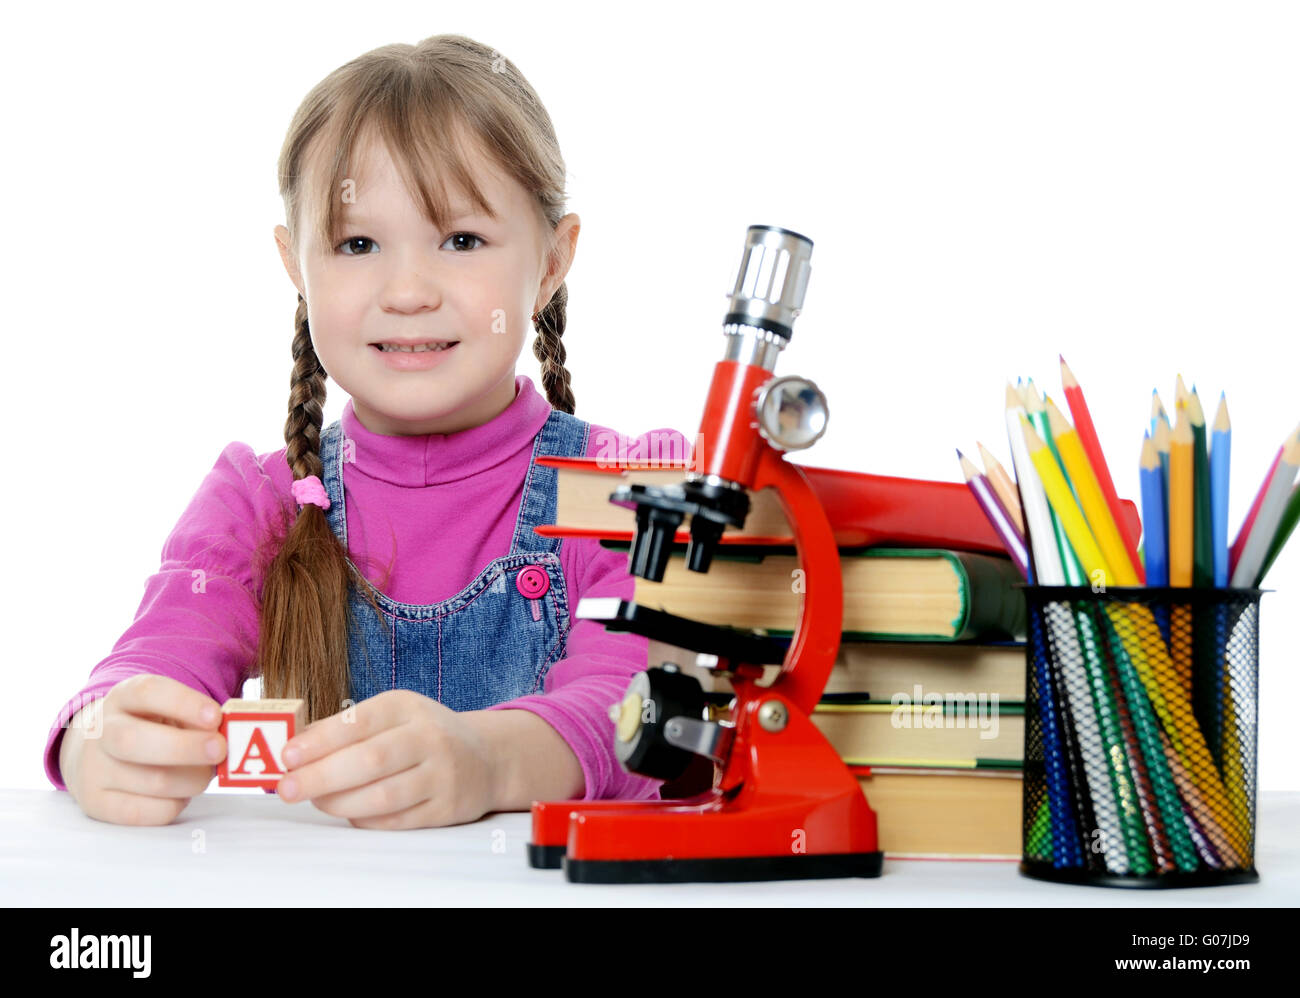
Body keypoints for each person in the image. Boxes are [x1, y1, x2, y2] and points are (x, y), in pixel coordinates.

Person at [45, 34, 693, 829]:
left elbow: (641, 713)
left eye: (461, 240)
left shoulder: (622, 493)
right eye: (357, 244)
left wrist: (487, 761)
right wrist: (101, 737)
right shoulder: (260, 502)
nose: (409, 290)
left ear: (553, 262)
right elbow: (156, 655)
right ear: (296, 266)